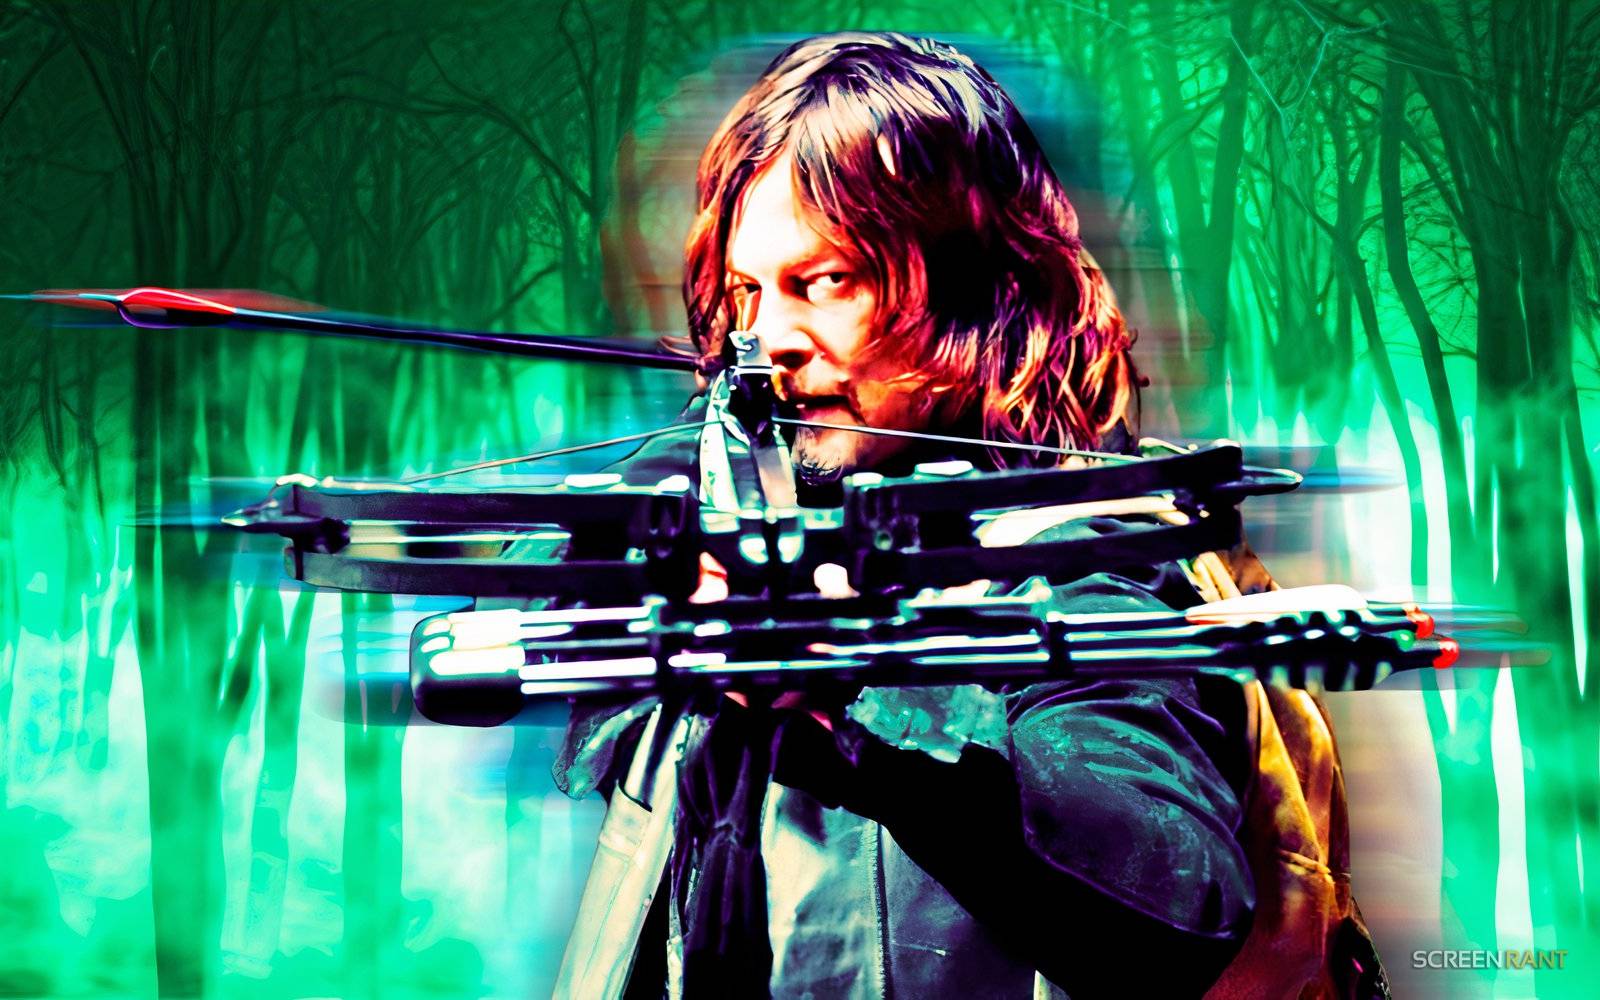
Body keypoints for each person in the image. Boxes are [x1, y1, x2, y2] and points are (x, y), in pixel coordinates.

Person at [552, 32, 1352, 999]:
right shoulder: (747, 494)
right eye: (748, 291)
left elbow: (1175, 903)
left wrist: (857, 695)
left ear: (978, 288)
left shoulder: (1089, 564)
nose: (769, 340)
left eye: (826, 281)